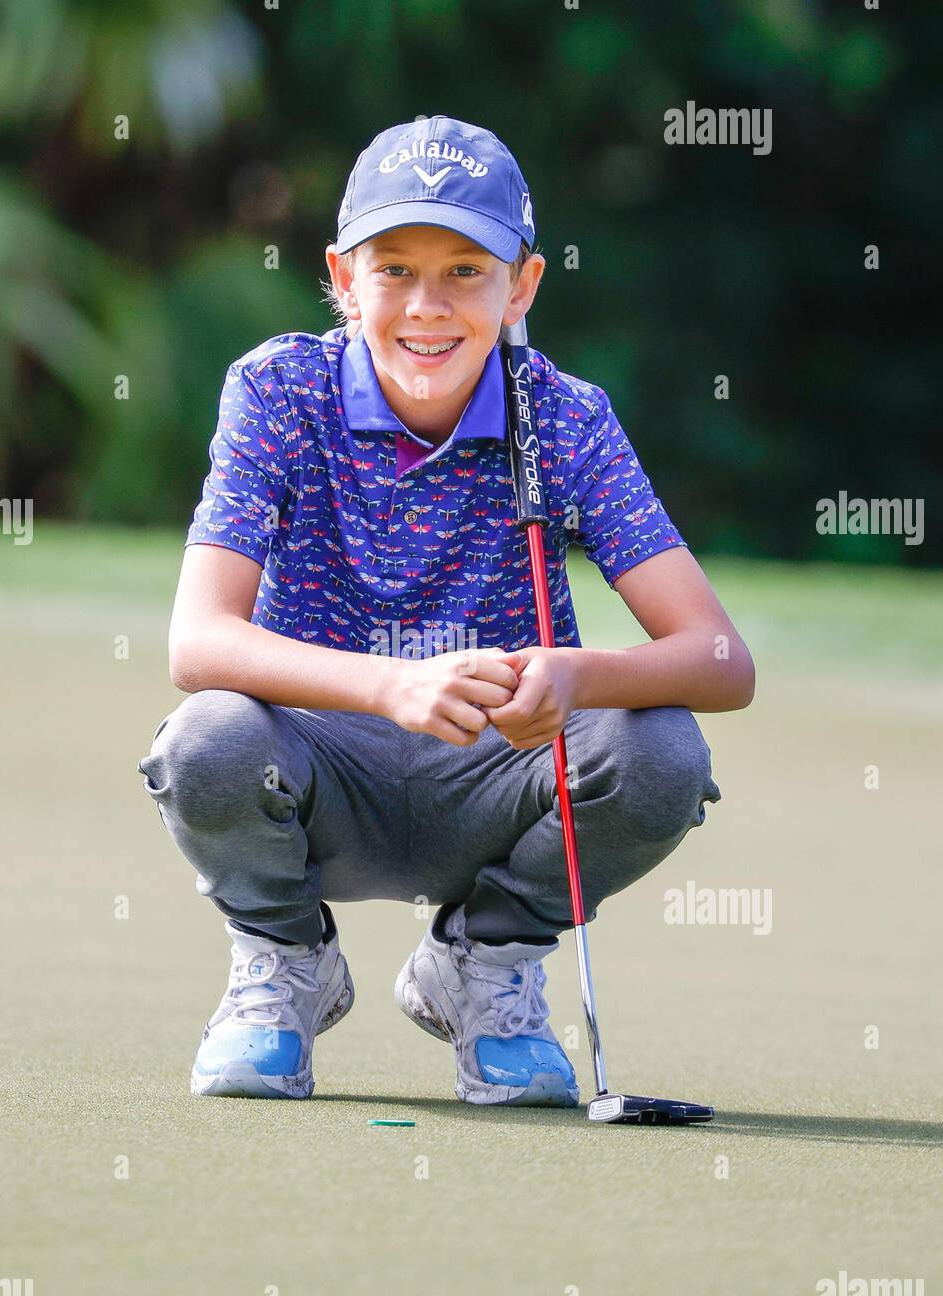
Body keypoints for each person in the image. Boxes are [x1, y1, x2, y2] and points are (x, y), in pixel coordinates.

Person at [136, 115, 754, 1108]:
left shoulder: (562, 416)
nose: (427, 307)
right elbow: (197, 639)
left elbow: (720, 656)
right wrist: (390, 684)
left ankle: (483, 963)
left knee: (660, 755)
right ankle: (285, 966)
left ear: (523, 285)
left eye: (466, 270)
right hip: (318, 768)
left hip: (495, 774)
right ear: (342, 278)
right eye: (394, 271)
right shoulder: (275, 389)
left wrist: (576, 677)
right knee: (205, 736)